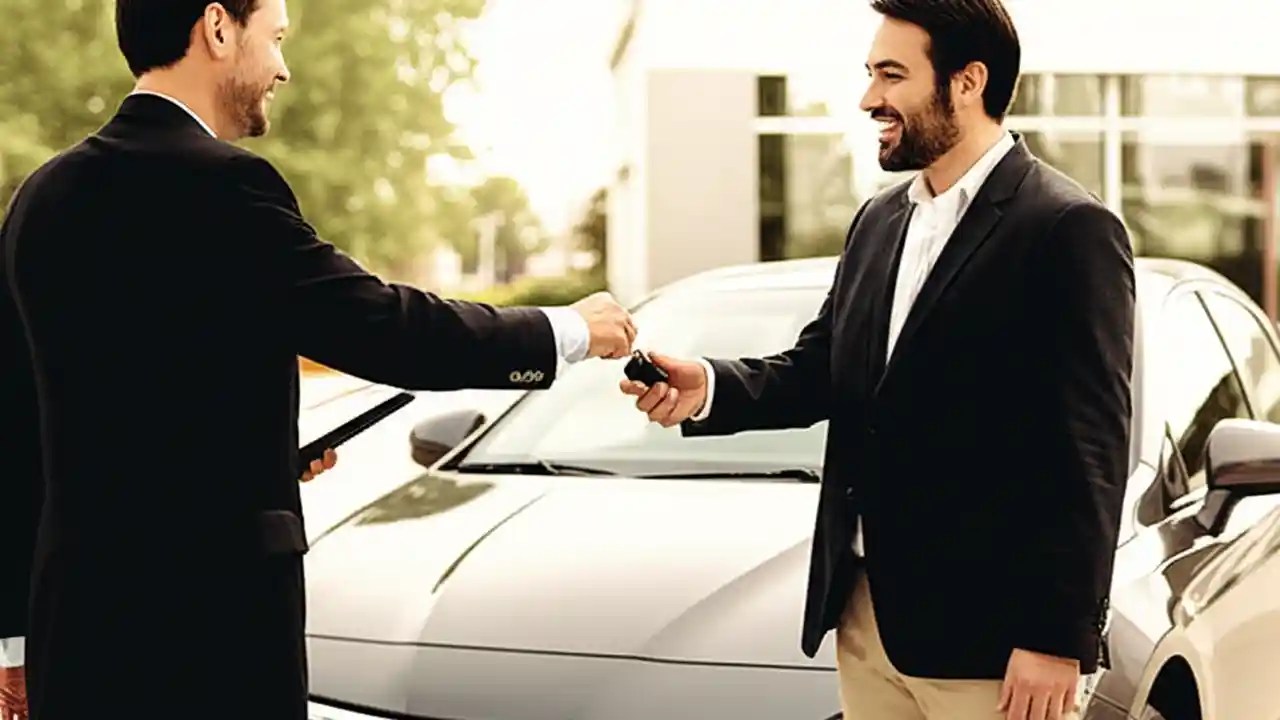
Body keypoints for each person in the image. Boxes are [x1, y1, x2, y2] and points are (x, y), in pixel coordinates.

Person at [0, 0, 635, 717]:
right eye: (275, 38)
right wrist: (565, 330)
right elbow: (384, 327)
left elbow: (22, 428)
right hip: (209, 635)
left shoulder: (40, 198)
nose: (282, 68)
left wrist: (14, 643)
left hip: (76, 631)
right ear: (217, 27)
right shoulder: (224, 184)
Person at [620, 1, 1134, 719]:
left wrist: (1057, 636)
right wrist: (707, 385)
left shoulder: (1067, 228)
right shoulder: (879, 221)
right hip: (866, 621)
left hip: (992, 645)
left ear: (968, 81)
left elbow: (1089, 449)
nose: (869, 99)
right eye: (870, 74)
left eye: (892, 75)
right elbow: (824, 368)